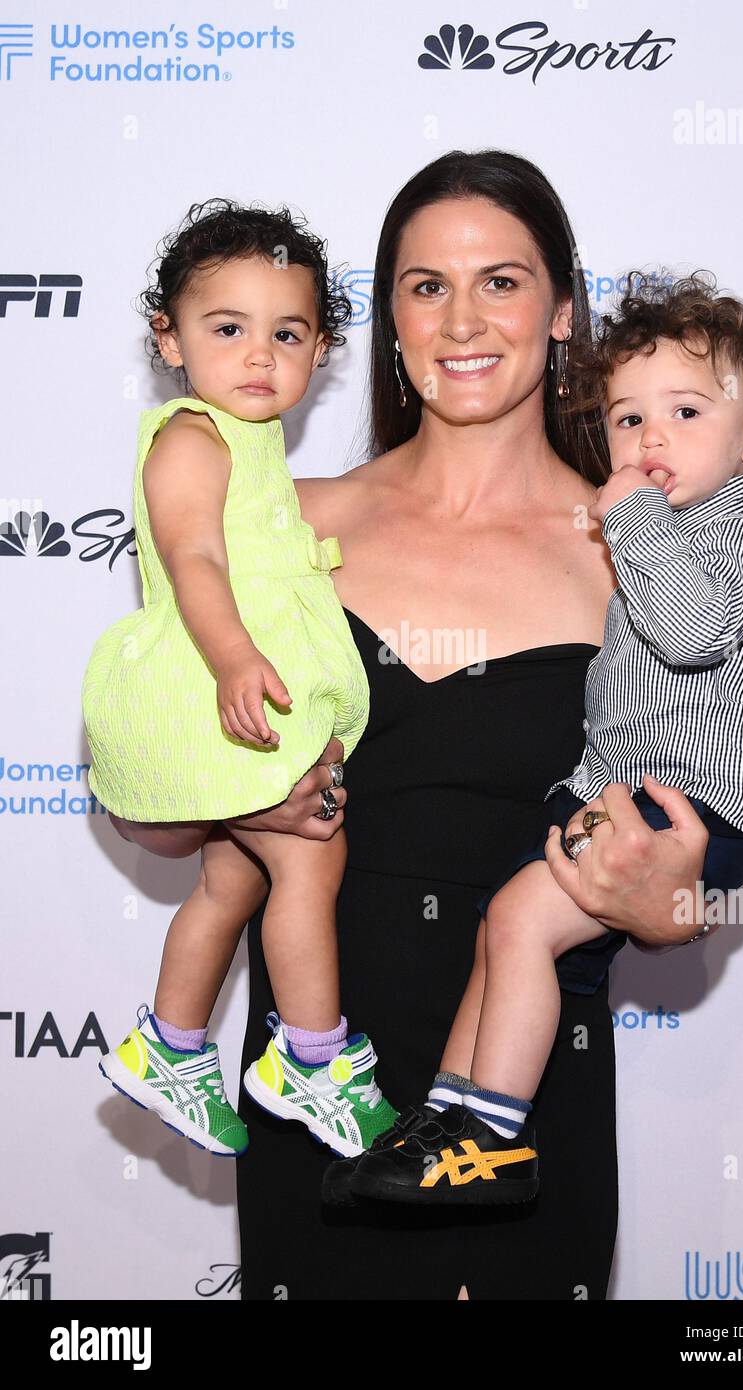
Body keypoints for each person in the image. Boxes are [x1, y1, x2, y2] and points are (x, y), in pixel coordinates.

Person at [228, 150, 714, 1300]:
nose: (461, 320)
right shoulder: (281, 526)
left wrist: (667, 903)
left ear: (561, 312)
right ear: (387, 312)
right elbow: (152, 806)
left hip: (525, 1107)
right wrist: (219, 800)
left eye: (500, 281)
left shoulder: (642, 555)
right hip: (320, 1075)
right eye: (424, 284)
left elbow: (692, 888)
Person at [343, 271, 743, 1206]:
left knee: (517, 920)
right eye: (628, 421)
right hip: (621, 793)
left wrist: (628, 513)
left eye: (685, 412)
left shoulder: (733, 545)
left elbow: (687, 635)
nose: (651, 442)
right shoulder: (664, 537)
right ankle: (449, 1116)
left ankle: (488, 1137)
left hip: (691, 809)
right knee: (506, 927)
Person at [82, 198, 397, 1161]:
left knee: (231, 877)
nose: (260, 356)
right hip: (209, 684)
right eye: (228, 329)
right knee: (309, 857)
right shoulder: (193, 437)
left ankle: (171, 1046)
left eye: (287, 333)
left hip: (243, 691)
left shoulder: (250, 444)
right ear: (167, 339)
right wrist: (231, 658)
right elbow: (194, 563)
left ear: (321, 350)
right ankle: (310, 1057)